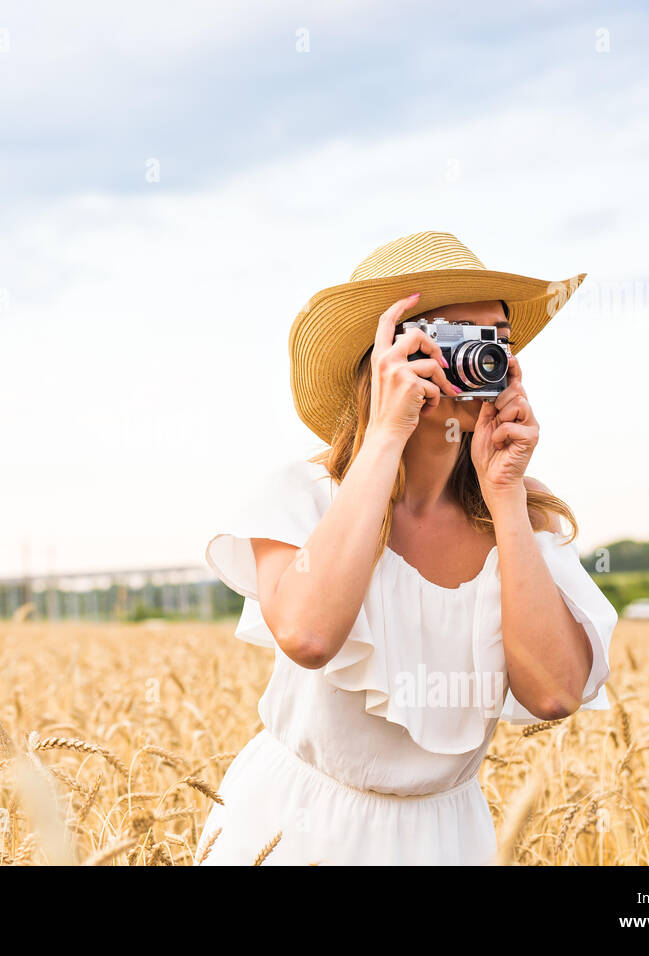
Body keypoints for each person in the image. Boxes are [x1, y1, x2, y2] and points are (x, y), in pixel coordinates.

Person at [198, 231, 618, 866]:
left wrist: (503, 496)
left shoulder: (521, 522)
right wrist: (388, 428)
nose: (486, 358)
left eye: (498, 341)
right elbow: (309, 637)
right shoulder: (304, 496)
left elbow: (555, 694)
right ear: (388, 356)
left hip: (446, 841)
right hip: (293, 829)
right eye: (458, 337)